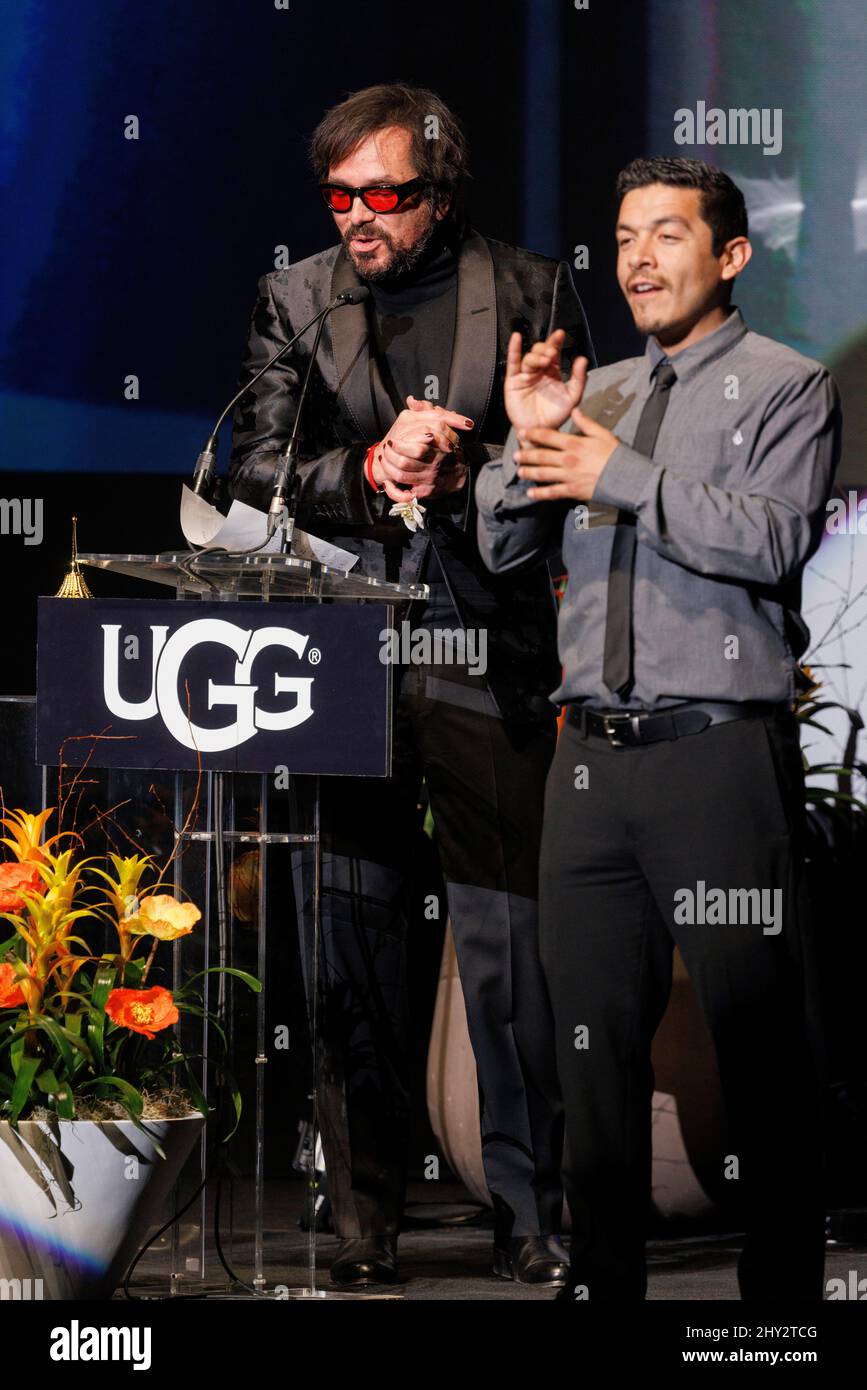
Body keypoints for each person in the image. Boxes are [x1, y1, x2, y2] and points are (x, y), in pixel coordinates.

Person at [229, 82, 594, 1288]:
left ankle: (531, 1211)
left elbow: (573, 464)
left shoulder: (534, 288)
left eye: (382, 194)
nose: (357, 218)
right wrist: (367, 467)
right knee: (355, 944)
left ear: (441, 189)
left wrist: (465, 465)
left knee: (509, 946)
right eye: (339, 196)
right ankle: (363, 1219)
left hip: (490, 653)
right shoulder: (298, 297)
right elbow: (261, 464)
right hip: (346, 657)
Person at [476, 156, 841, 1300]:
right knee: (591, 1056)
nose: (636, 257)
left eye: (667, 234)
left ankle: (777, 1306)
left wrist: (615, 470)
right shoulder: (598, 392)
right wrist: (522, 440)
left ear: (729, 255)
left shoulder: (790, 386)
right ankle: (605, 1282)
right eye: (625, 235)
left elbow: (772, 539)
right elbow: (502, 550)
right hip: (590, 763)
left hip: (717, 760)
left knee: (759, 1050)